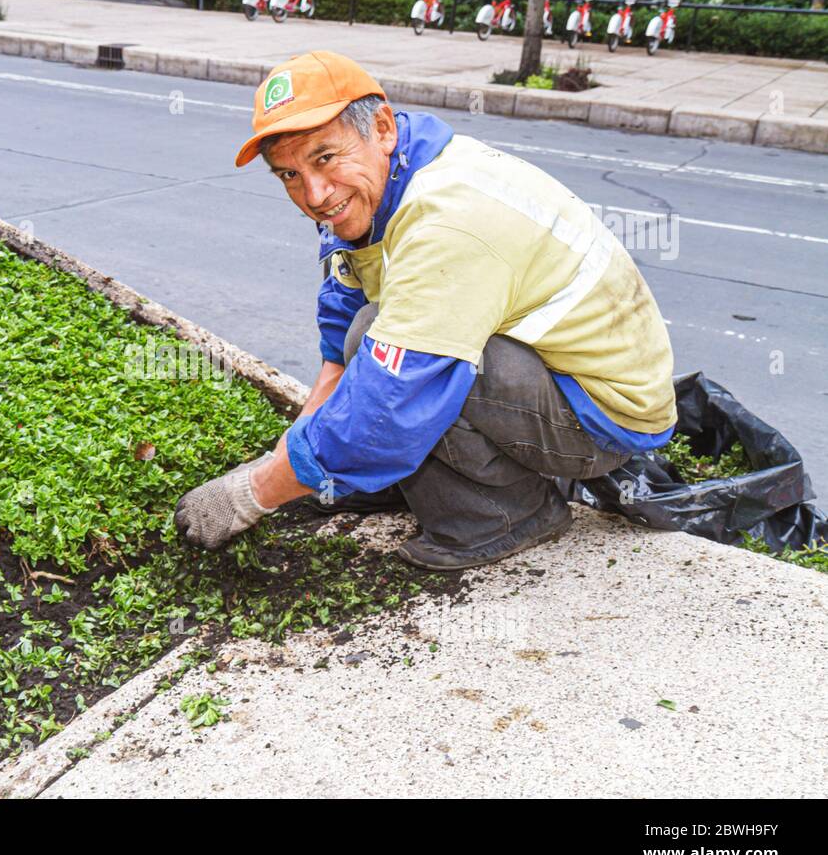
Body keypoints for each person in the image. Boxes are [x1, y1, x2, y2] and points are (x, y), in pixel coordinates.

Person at [173, 51, 678, 572]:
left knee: (407, 366)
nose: (314, 195)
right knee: (364, 333)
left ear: (384, 128)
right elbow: (341, 342)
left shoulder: (448, 221)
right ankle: (392, 479)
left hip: (603, 415)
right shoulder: (373, 185)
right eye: (289, 176)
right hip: (543, 371)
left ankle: (507, 514)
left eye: (324, 158)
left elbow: (387, 402)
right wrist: (286, 457)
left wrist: (252, 494)